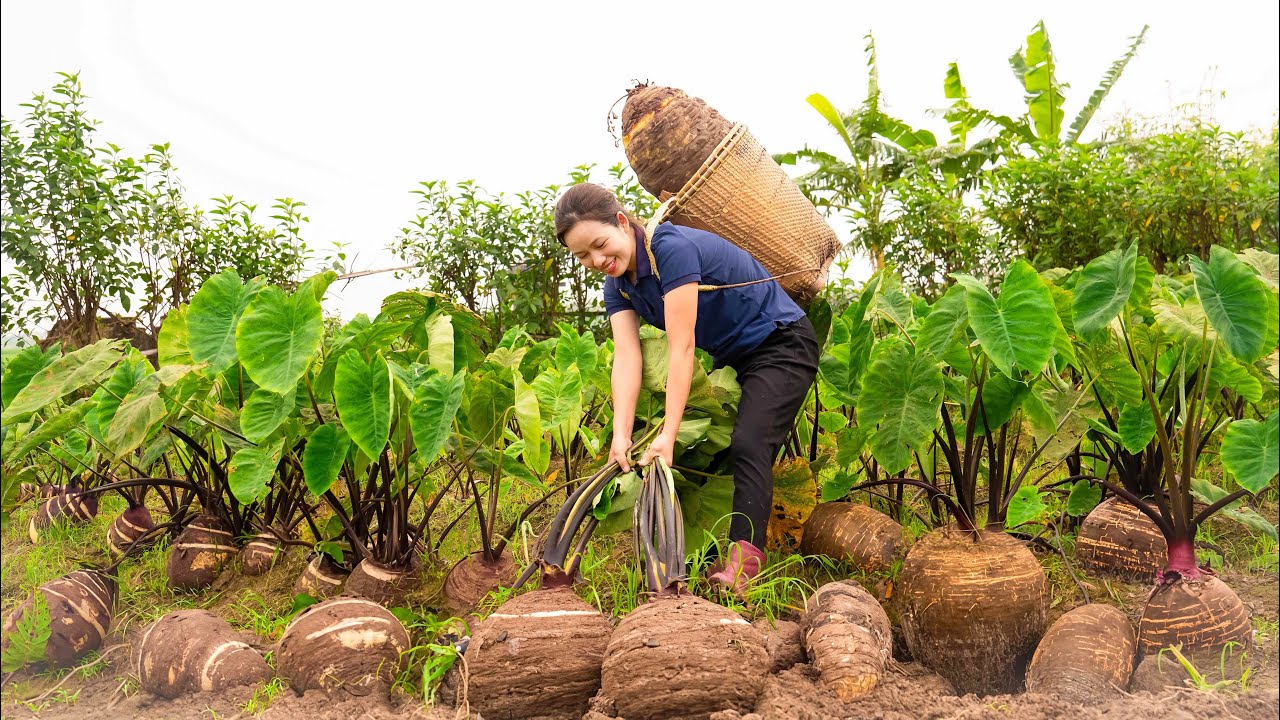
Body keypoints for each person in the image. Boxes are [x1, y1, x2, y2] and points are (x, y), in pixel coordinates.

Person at [554, 182, 819, 595]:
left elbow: (682, 346)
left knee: (748, 442)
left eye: (601, 245)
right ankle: (707, 552)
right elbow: (627, 358)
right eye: (583, 256)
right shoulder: (618, 284)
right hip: (730, 359)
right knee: (708, 452)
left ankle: (745, 566)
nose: (597, 260)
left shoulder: (670, 249)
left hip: (780, 341)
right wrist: (622, 436)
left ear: (622, 223)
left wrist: (668, 435)